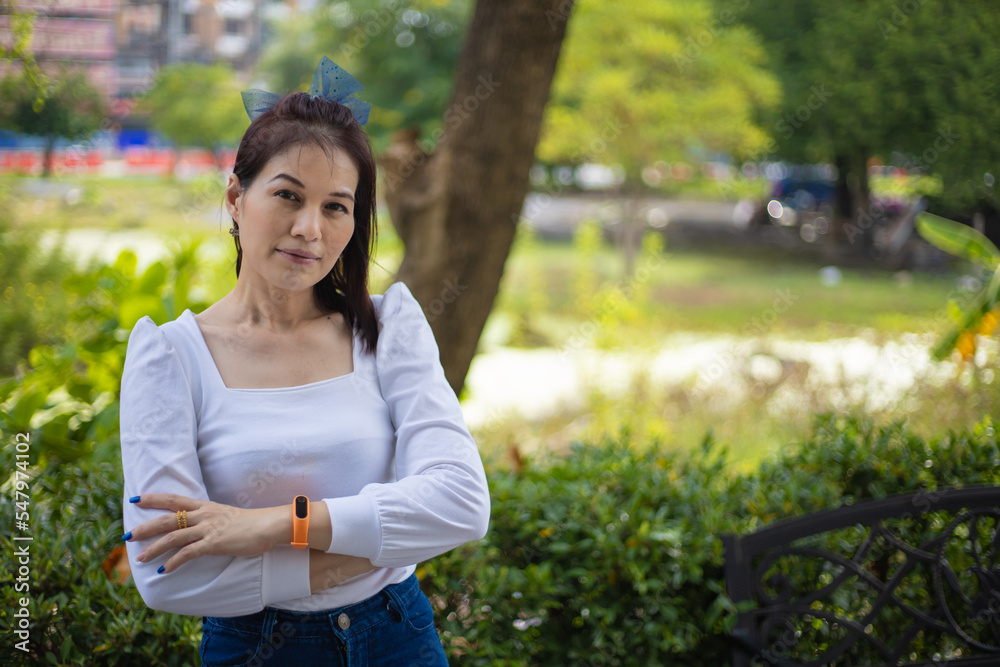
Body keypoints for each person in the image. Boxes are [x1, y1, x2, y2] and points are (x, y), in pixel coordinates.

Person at [118, 59, 490, 666]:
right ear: (237, 197)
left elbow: (462, 504)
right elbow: (167, 575)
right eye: (288, 195)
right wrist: (379, 549)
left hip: (400, 639)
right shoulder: (171, 356)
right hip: (256, 649)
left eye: (336, 207)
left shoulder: (389, 325)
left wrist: (276, 525)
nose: (308, 229)